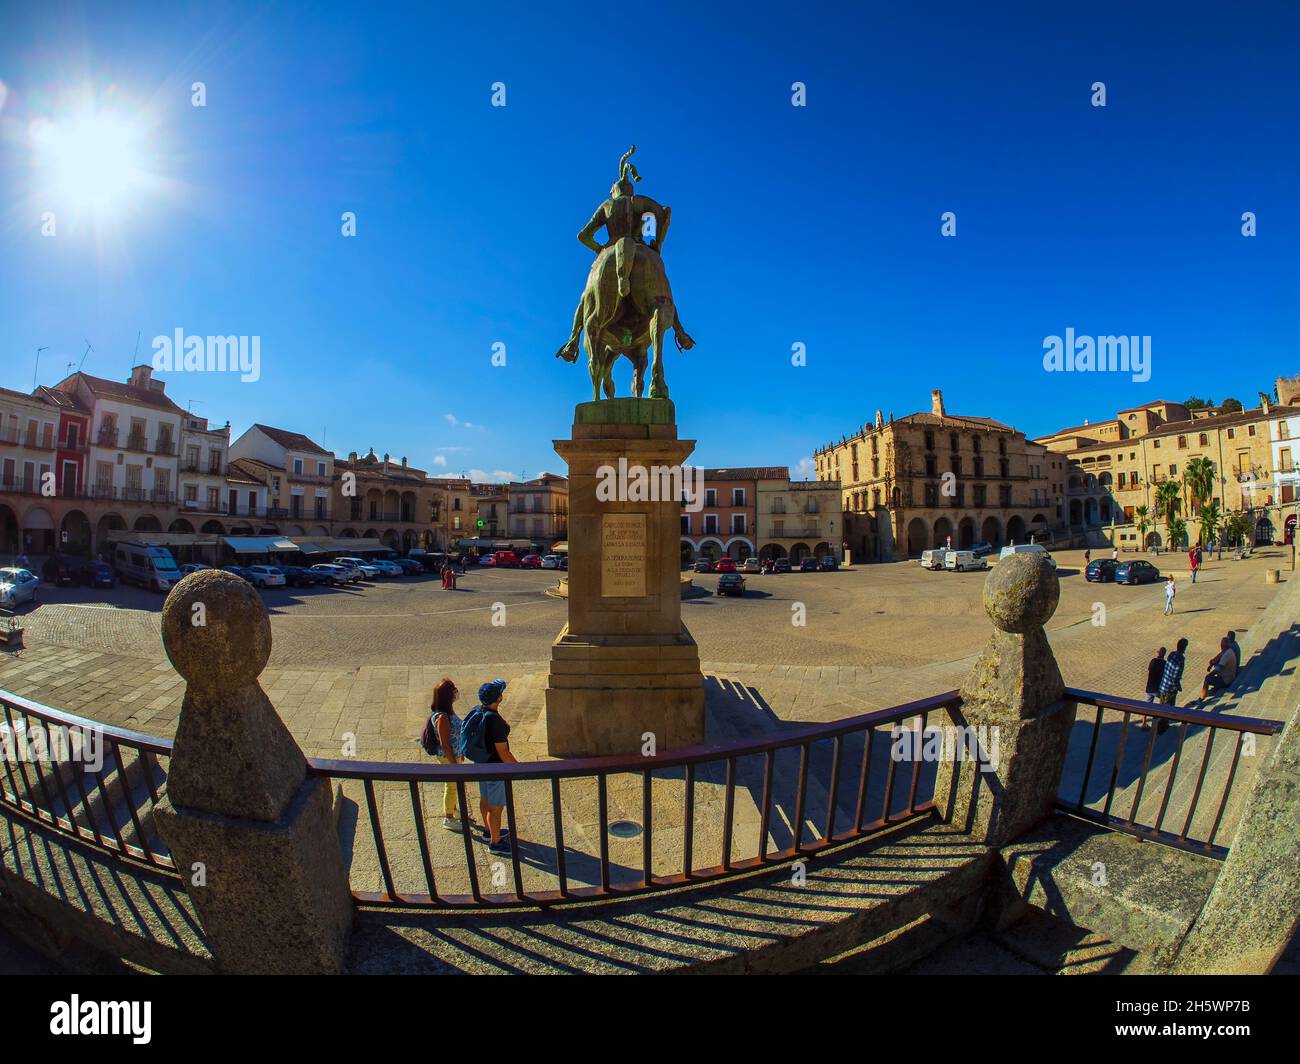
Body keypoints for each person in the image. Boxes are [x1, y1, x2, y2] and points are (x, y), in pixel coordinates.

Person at [460, 679, 517, 855]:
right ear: (499, 699)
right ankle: (496, 842)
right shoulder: (496, 722)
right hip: (495, 768)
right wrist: (519, 768)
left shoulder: (478, 711)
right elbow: (503, 752)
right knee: (496, 807)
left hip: (481, 765)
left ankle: (488, 830)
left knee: (485, 799)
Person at [425, 678, 472, 833]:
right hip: (448, 758)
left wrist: (461, 752)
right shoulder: (442, 717)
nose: (456, 692)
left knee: (454, 786)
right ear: (448, 695)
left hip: (455, 755)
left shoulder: (448, 711)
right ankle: (449, 818)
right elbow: (445, 743)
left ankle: (452, 808)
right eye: (454, 690)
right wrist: (453, 764)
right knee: (451, 786)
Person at [1140, 646, 1167, 729]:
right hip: (1159, 688)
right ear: (1164, 654)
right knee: (1161, 704)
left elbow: (1149, 670)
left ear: (1158, 653)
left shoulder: (1153, 661)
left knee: (1146, 705)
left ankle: (1143, 723)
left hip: (1150, 687)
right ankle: (1158, 722)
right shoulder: (1164, 663)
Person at [1159, 637, 1189, 709]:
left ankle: (1158, 719)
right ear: (1184, 648)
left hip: (1163, 685)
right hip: (1170, 689)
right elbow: (1176, 677)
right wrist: (1178, 686)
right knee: (1168, 709)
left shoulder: (1172, 654)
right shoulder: (1181, 659)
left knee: (1160, 707)